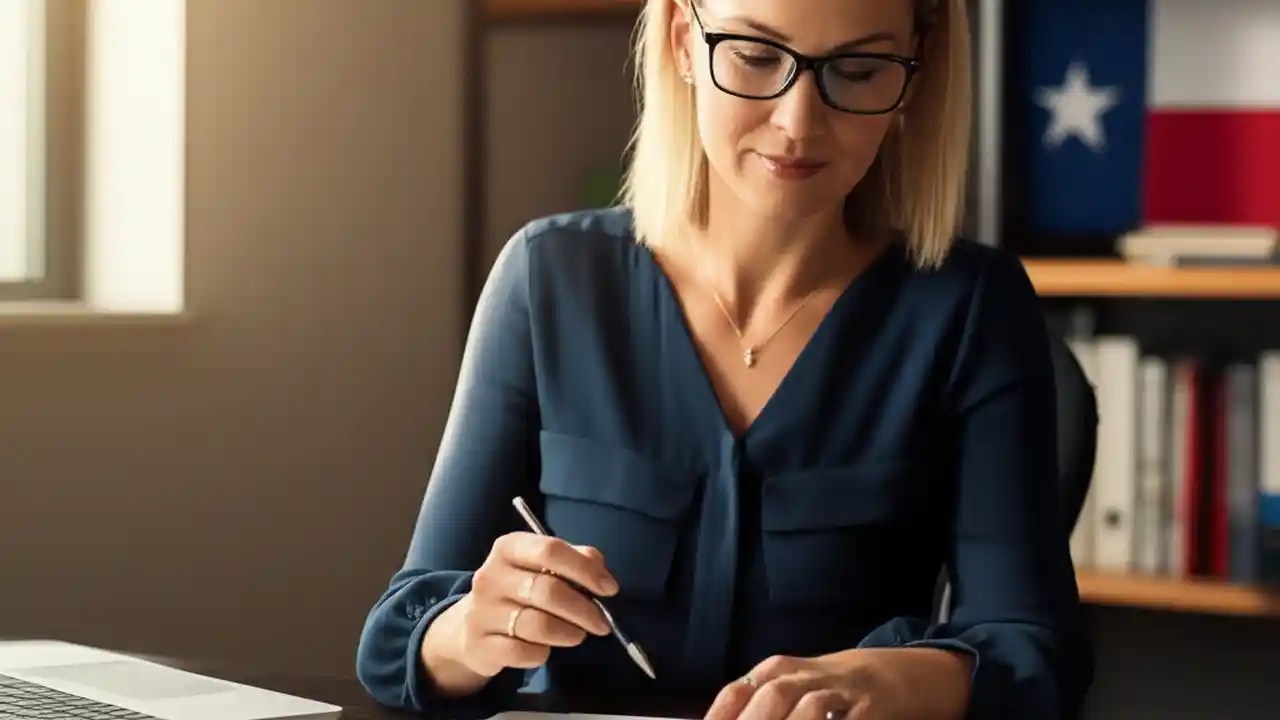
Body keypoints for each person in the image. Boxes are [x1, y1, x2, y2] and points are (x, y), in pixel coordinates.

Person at [356, 0, 1095, 717]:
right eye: (754, 56)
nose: (798, 123)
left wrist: (893, 681)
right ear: (683, 38)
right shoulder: (548, 277)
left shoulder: (972, 308)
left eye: (861, 69)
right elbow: (395, 642)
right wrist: (469, 632)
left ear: (918, 71)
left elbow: (1037, 653)